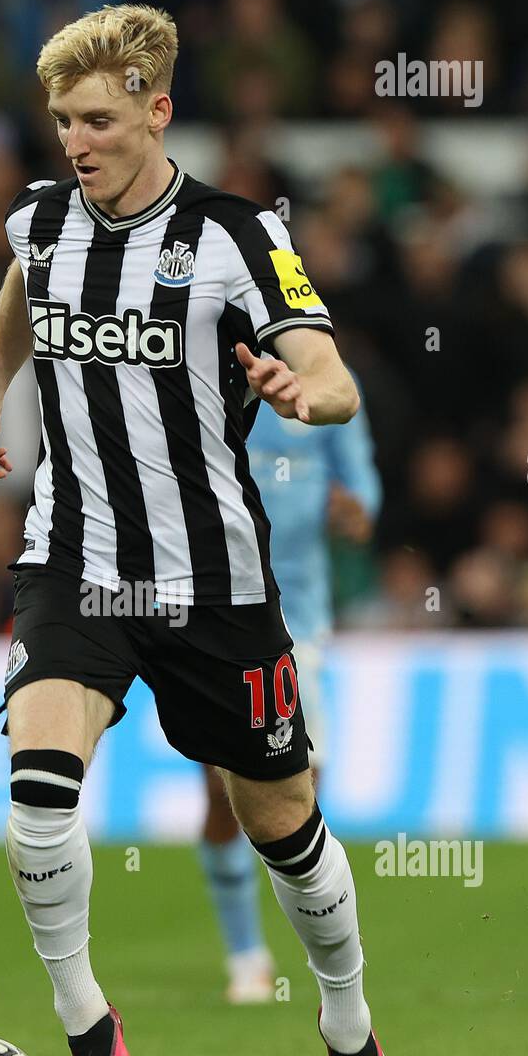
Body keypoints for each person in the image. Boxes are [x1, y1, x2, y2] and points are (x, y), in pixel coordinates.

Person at [0, 4, 404, 1056]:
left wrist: (313, 398)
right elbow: (23, 286)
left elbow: (325, 362)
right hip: (75, 560)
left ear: (157, 110)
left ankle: (349, 1027)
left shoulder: (238, 236)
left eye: (97, 119)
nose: (75, 140)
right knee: (38, 793)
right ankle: (85, 1022)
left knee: (284, 824)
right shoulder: (43, 222)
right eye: (61, 119)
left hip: (215, 585)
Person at [199, 383, 382, 1003]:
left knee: (302, 801)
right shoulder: (205, 377)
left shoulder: (329, 388)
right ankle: (245, 954)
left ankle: (322, 954)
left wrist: (356, 508)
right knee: (223, 797)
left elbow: (363, 484)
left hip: (298, 622)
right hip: (216, 616)